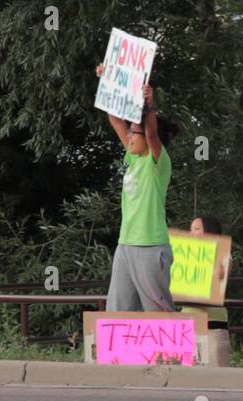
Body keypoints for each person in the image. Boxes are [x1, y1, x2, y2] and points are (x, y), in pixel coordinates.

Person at [96, 64, 175, 313]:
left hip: (151, 246)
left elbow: (151, 134)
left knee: (157, 311)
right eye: (129, 132)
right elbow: (114, 119)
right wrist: (108, 81)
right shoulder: (132, 158)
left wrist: (149, 105)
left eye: (134, 132)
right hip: (126, 244)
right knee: (118, 309)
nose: (129, 136)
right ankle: (117, 355)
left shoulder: (157, 162)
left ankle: (171, 354)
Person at [182, 216, 232, 366]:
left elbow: (220, 276)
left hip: (213, 323)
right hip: (189, 323)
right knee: (190, 378)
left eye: (197, 229)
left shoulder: (222, 254)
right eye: (190, 230)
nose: (191, 234)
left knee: (216, 376)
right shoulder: (183, 258)